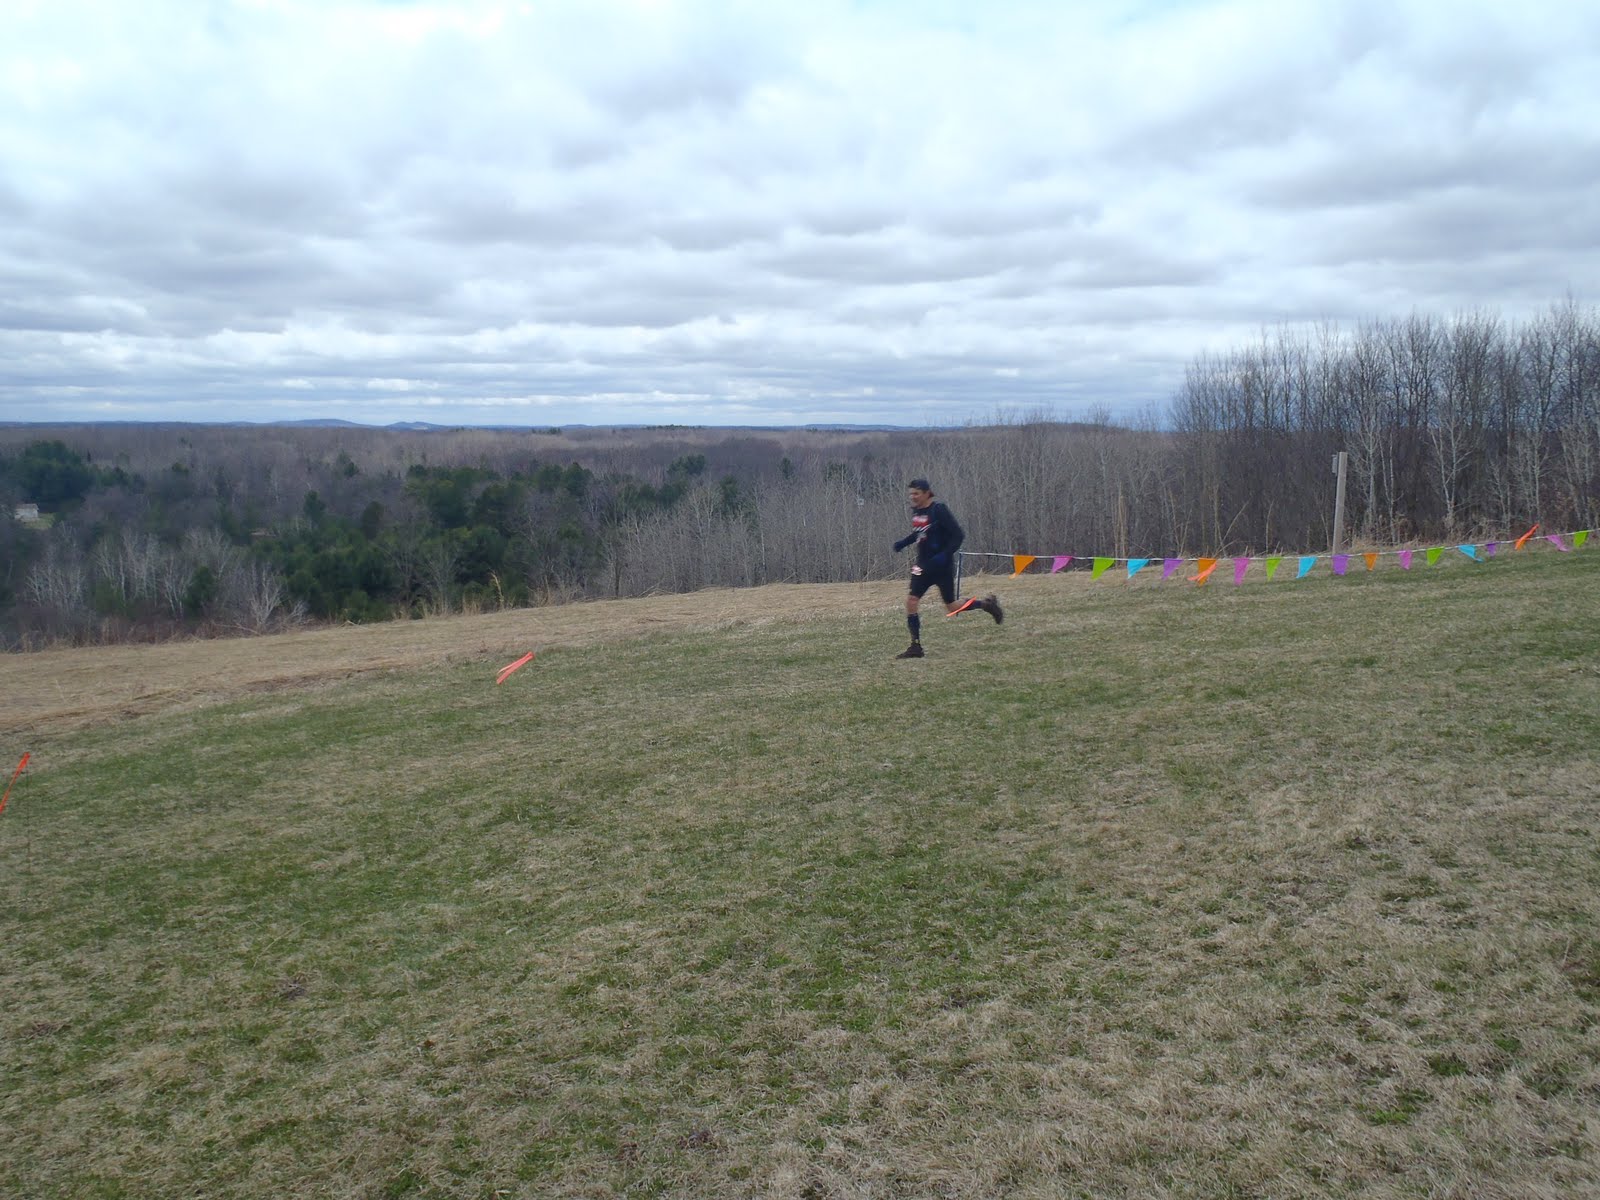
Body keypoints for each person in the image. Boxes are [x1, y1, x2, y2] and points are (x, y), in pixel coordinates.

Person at [891, 479, 1001, 658]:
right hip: (922, 566)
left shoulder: (939, 510)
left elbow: (958, 535)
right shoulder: (917, 512)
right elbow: (920, 532)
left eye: (916, 493)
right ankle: (915, 647)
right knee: (911, 601)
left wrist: (945, 555)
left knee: (952, 607)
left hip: (942, 567)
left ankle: (986, 604)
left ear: (927, 493)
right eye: (911, 494)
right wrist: (903, 543)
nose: (913, 497)